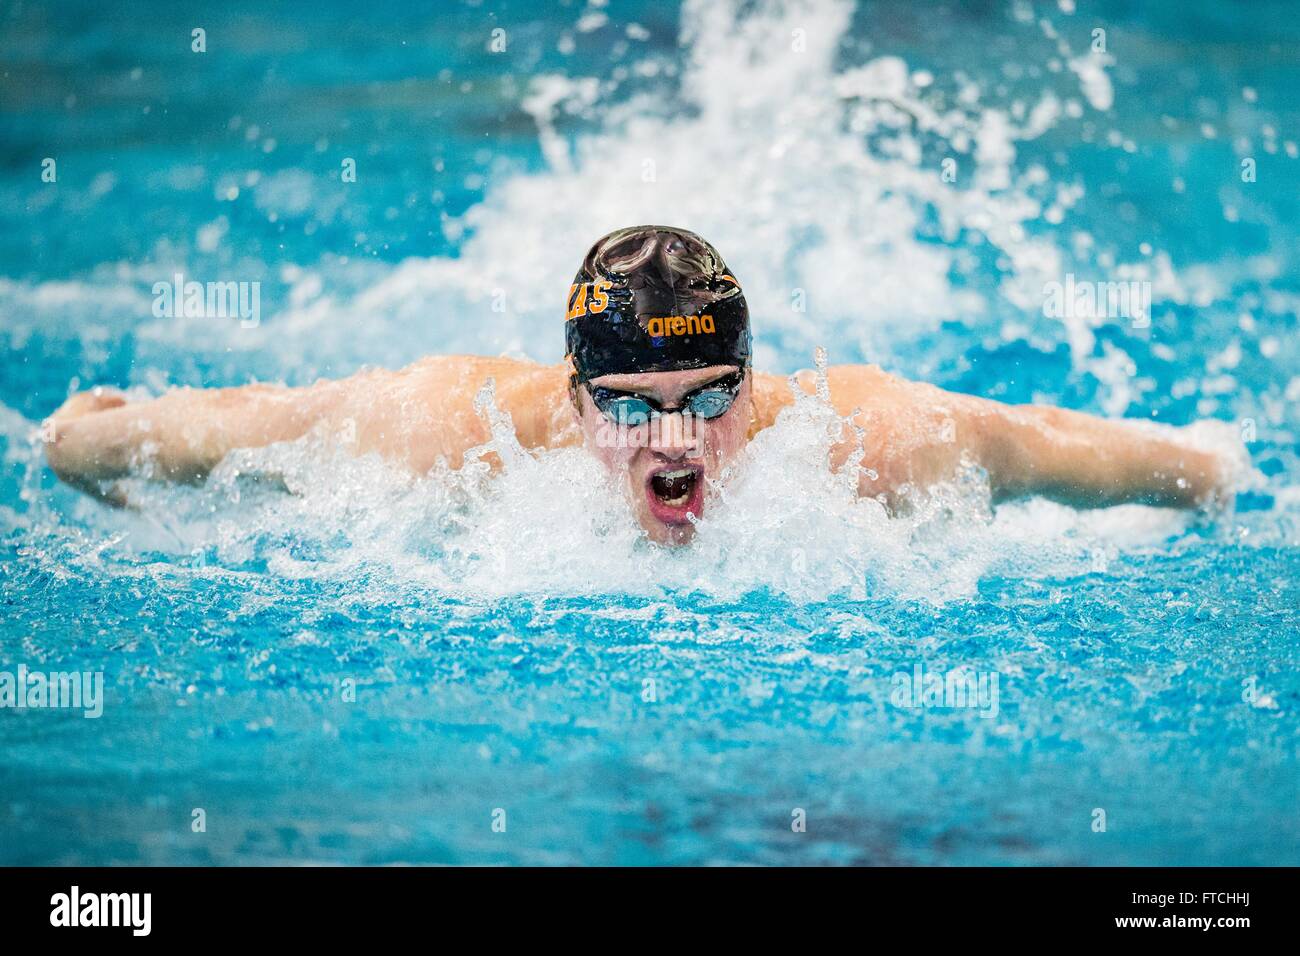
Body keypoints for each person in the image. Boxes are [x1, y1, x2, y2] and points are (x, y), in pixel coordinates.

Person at [44, 225, 1233, 545]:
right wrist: (84, 443)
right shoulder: (444, 433)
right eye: (627, 404)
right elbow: (254, 424)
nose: (675, 440)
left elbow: (1065, 447)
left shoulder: (880, 441)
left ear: (753, 381)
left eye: (708, 395)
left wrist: (1219, 475)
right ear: (571, 400)